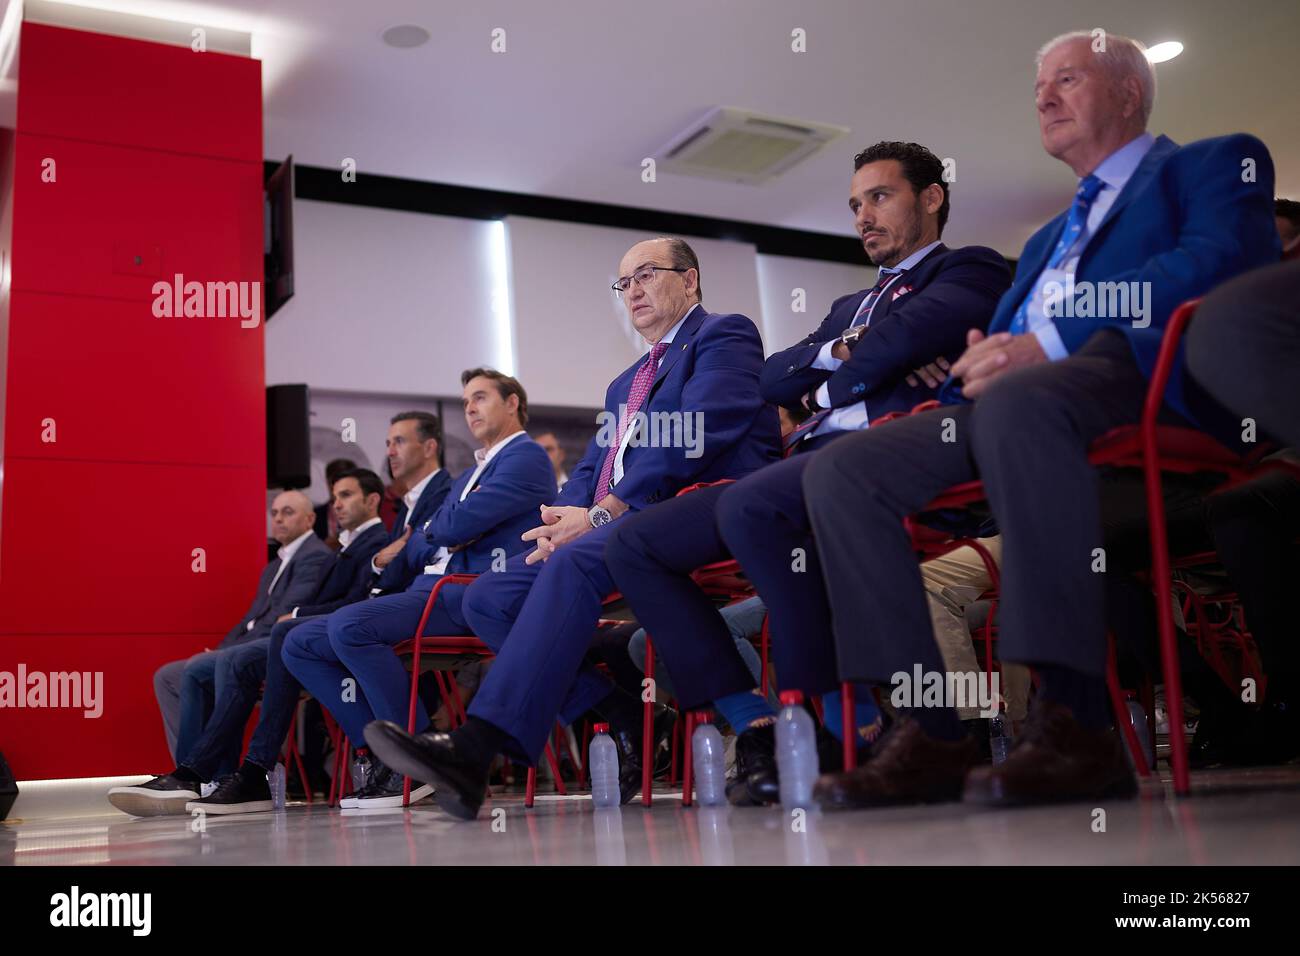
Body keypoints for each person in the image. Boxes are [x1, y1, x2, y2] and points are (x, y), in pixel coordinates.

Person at [803, 30, 1278, 810]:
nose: (1044, 99)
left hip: (1150, 376)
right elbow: (1003, 343)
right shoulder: (1047, 238)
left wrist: (1042, 344)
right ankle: (929, 730)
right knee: (845, 469)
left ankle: (1073, 722)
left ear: (1128, 92)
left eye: (1068, 80)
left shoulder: (1213, 162)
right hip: (1016, 403)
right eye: (1038, 88)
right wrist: (976, 366)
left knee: (1024, 399)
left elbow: (1217, 264)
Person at [604, 142, 1011, 805]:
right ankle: (755, 720)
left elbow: (916, 332)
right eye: (855, 205)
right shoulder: (849, 306)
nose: (862, 216)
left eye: (879, 197)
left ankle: (844, 721)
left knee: (751, 508)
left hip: (906, 454)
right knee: (634, 543)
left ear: (932, 197)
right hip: (809, 468)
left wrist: (824, 387)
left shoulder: (970, 269)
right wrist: (851, 354)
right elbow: (773, 376)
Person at [364, 236, 782, 819]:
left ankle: (477, 748)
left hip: (711, 506)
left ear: (689, 281)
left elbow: (701, 431)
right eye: (623, 282)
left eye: (647, 274)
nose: (632, 289)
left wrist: (604, 512)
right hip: (625, 523)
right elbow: (594, 466)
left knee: (577, 561)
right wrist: (558, 517)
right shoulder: (625, 382)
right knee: (489, 599)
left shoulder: (723, 334)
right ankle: (626, 717)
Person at [282, 369, 556, 808]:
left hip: (469, 594)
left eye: (480, 397)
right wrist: (438, 532)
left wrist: (438, 531)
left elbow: (452, 525)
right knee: (297, 644)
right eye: (466, 400)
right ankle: (386, 751)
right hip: (429, 589)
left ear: (512, 404)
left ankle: (411, 758)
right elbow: (421, 545)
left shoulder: (526, 456)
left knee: (351, 627)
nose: (469, 407)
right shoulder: (469, 474)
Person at [110, 472, 389, 816]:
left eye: (346, 495)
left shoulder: (351, 547)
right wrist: (226, 646)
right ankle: (199, 773)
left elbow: (349, 603)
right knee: (183, 671)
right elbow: (251, 619)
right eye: (335, 497)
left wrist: (296, 615)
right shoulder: (313, 555)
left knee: (229, 662)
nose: (337, 504)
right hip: (301, 637)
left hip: (318, 640)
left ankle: (211, 775)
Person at [138, 491, 332, 810]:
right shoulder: (274, 566)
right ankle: (191, 771)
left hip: (277, 650)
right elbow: (251, 620)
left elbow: (281, 620)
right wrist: (218, 648)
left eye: (288, 512)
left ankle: (205, 776)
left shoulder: (315, 556)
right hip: (246, 647)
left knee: (208, 667)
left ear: (310, 519)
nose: (279, 518)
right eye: (275, 512)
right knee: (167, 676)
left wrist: (223, 654)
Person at [370, 411, 453, 593]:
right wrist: (378, 560)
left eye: (399, 442)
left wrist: (377, 582)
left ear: (429, 448)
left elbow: (414, 562)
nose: (390, 452)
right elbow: (392, 555)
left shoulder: (446, 494)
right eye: (388, 444)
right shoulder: (408, 502)